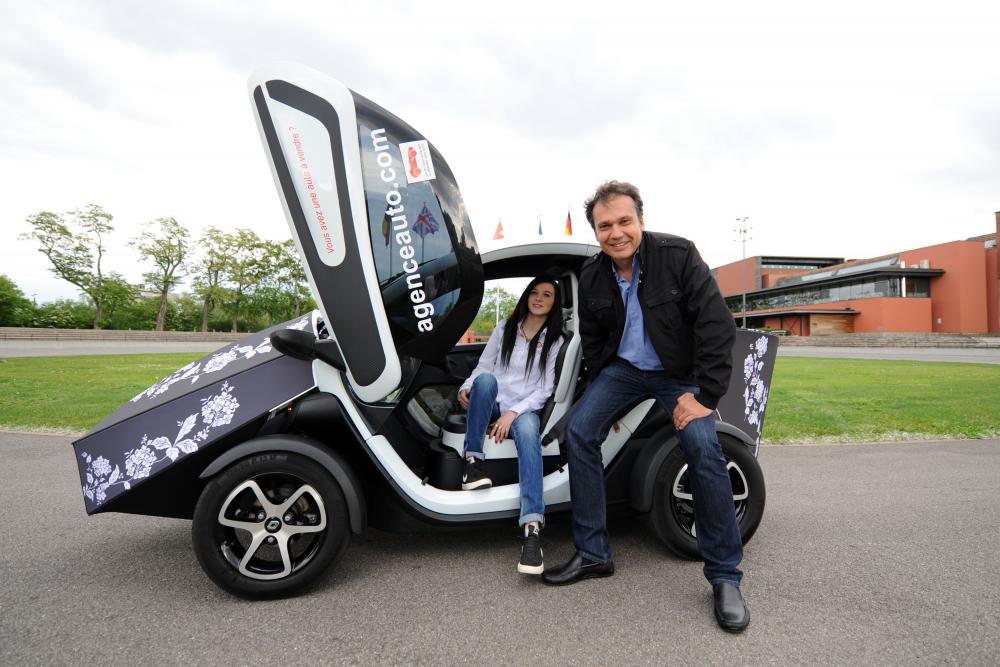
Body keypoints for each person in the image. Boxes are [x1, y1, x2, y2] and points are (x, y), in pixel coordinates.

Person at [540, 181, 750, 633]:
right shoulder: (595, 274)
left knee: (701, 446)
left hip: (679, 375)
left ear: (640, 220)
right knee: (579, 431)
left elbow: (717, 327)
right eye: (604, 225)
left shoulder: (679, 256)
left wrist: (704, 397)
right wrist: (602, 390)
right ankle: (594, 553)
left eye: (623, 222)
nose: (615, 233)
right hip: (626, 371)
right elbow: (595, 340)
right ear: (595, 230)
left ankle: (725, 576)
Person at [459, 276, 565, 575]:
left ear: (554, 303)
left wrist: (512, 414)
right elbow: (484, 366)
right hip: (495, 400)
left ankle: (532, 531)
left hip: (525, 409)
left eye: (547, 295)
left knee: (529, 434)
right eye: (534, 292)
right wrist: (467, 388)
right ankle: (472, 463)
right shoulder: (505, 328)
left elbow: (545, 389)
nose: (539, 298)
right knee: (485, 381)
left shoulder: (554, 340)